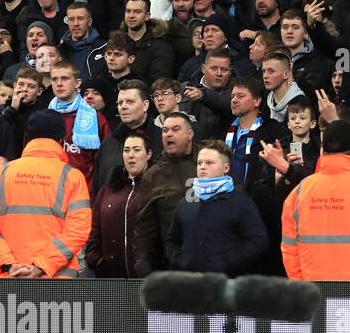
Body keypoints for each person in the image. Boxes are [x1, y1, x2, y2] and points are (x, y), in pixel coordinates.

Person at [0, 110, 93, 278]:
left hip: (11, 278)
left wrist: (8, 264)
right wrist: (41, 266)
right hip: (57, 280)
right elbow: (78, 230)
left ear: (28, 138)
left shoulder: (0, 174)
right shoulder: (72, 177)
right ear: (61, 139)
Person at [281, 120, 350, 281]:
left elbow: (290, 252)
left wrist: (304, 288)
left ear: (322, 150)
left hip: (318, 296)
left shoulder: (298, 194)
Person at [167, 140, 268, 275]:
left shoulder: (241, 202)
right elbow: (172, 241)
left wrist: (228, 262)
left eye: (209, 163)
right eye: (199, 163)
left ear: (226, 168)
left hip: (228, 284)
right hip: (191, 284)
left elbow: (258, 241)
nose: (202, 167)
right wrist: (182, 261)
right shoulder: (185, 203)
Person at [132, 111, 198, 275]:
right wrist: (144, 266)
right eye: (165, 130)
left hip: (212, 265)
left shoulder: (209, 163)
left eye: (175, 129)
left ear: (190, 134)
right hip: (172, 266)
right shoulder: (153, 175)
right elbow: (144, 226)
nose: (169, 134)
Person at [86, 131, 152, 278]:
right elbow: (95, 231)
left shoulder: (156, 187)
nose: (131, 155)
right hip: (110, 279)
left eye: (136, 150)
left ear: (148, 154)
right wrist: (96, 260)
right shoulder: (108, 189)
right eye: (126, 150)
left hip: (148, 280)